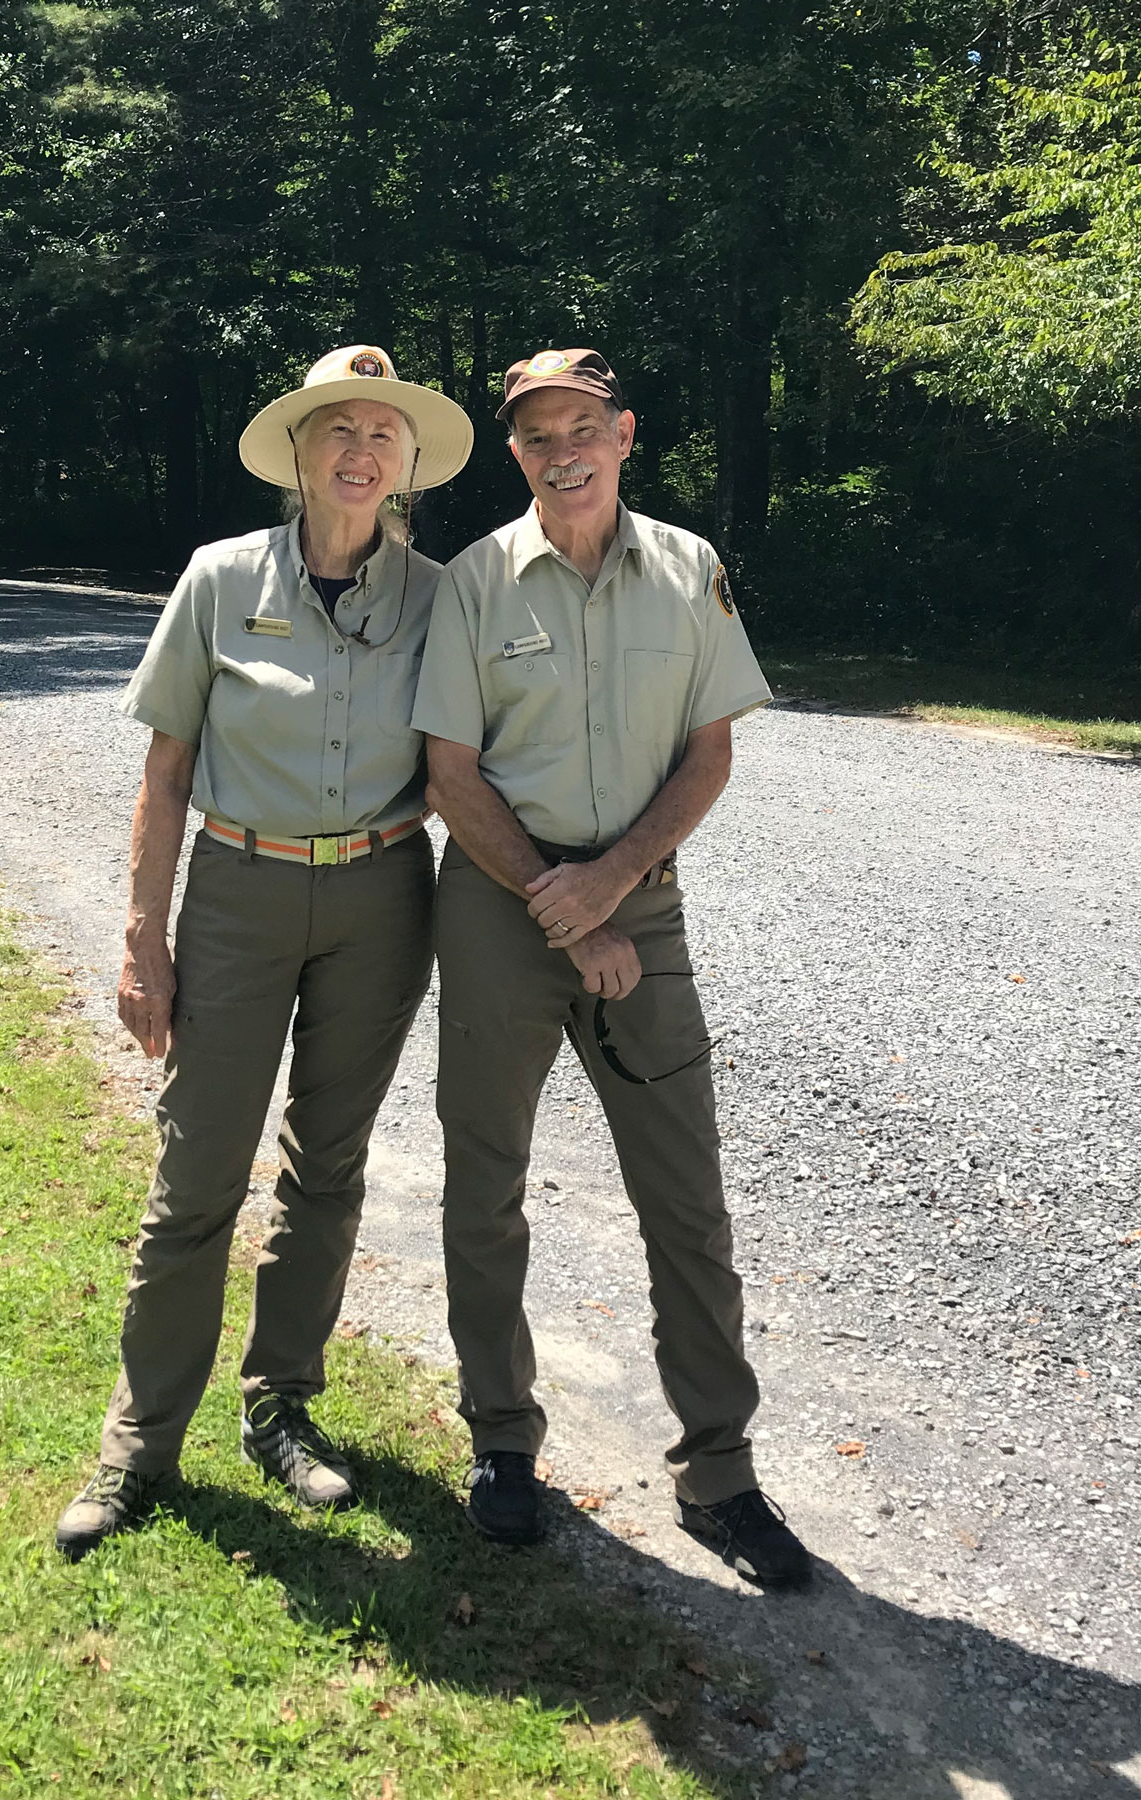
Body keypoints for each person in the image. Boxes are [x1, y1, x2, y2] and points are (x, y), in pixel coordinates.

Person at [55, 346, 474, 1559]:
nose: (359, 449)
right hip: (237, 893)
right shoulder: (219, 578)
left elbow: (478, 760)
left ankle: (279, 1407)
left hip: (384, 898)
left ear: (405, 468)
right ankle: (139, 1448)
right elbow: (166, 768)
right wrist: (143, 937)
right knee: (195, 1179)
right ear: (296, 454)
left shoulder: (441, 597)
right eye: (335, 429)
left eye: (381, 435)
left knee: (329, 1167)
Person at [411, 347, 811, 1586]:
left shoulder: (690, 571)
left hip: (645, 905)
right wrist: (567, 911)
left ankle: (721, 1475)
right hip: (497, 906)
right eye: (535, 435)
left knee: (684, 1196)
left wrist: (615, 887)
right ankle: (504, 1445)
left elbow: (708, 757)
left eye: (581, 424)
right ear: (515, 452)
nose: (560, 450)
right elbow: (448, 775)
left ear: (625, 432)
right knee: (485, 1187)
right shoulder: (474, 580)